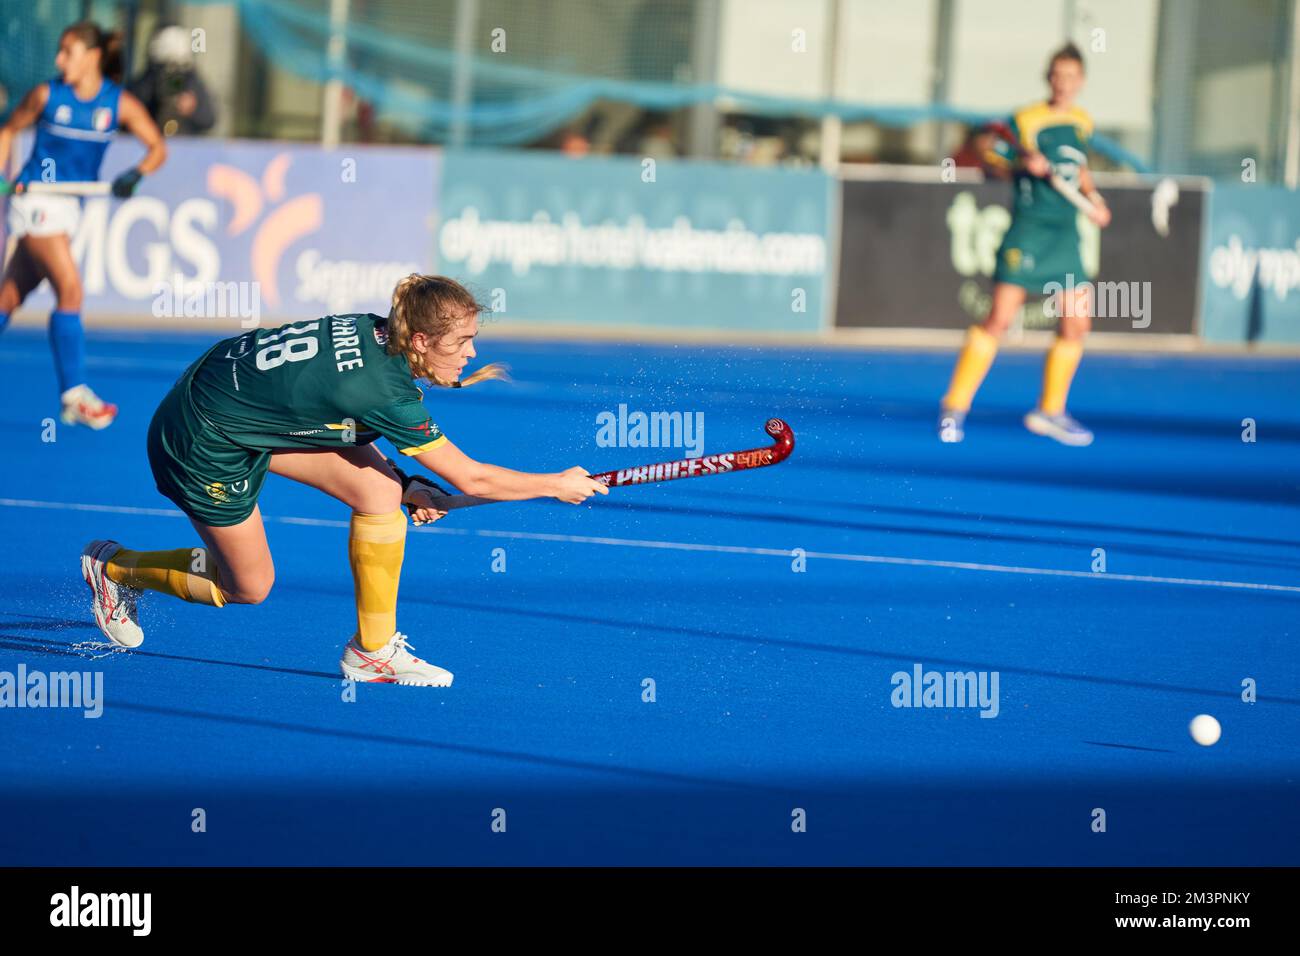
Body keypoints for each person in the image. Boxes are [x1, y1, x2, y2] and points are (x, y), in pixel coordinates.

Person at [79, 275, 608, 686]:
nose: (471, 353)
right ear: (421, 340)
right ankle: (116, 569)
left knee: (378, 490)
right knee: (247, 585)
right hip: (201, 439)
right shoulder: (386, 389)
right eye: (463, 341)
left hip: (231, 402)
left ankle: (371, 652)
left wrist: (402, 483)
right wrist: (554, 485)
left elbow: (332, 413)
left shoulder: (378, 332)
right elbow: (470, 476)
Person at [937, 42, 1111, 447]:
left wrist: (1095, 202)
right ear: (1048, 77)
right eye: (1057, 75)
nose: (1063, 83)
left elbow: (1079, 170)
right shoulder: (1025, 119)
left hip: (1065, 234)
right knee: (998, 320)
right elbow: (987, 154)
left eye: (1071, 77)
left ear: (1081, 81)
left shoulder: (1083, 122)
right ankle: (954, 407)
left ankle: (1050, 410)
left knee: (1077, 323)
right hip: (1029, 231)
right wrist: (1021, 164)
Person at [0, 21, 167, 428]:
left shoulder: (117, 103)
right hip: (35, 201)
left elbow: (157, 147)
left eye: (67, 52)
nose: (59, 61)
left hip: (69, 208)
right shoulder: (46, 94)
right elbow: (8, 129)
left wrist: (135, 173)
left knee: (9, 298)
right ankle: (74, 394)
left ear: (93, 57)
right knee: (70, 289)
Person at [127, 24, 216, 137]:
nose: (173, 74)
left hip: (184, 144)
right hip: (151, 139)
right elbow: (130, 109)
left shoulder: (191, 81)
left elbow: (209, 119)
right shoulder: (147, 80)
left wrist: (193, 109)